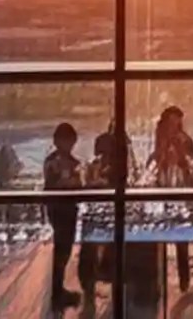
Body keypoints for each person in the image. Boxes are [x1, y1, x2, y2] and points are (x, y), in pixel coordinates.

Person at [78, 119, 133, 302]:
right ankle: (93, 283)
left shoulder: (114, 162)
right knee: (96, 246)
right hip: (102, 205)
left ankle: (94, 283)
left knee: (97, 246)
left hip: (105, 206)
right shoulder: (101, 164)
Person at [148, 105, 193, 292]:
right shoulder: (160, 141)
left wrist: (181, 158)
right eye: (169, 123)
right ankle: (156, 280)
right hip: (162, 190)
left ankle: (183, 279)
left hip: (180, 191)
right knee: (155, 235)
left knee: (181, 237)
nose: (172, 127)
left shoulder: (185, 141)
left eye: (175, 123)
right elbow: (155, 164)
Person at [44, 122, 84, 310]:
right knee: (62, 250)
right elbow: (58, 184)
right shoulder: (56, 162)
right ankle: (57, 293)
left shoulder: (67, 161)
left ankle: (58, 290)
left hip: (64, 209)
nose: (70, 145)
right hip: (61, 210)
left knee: (63, 251)